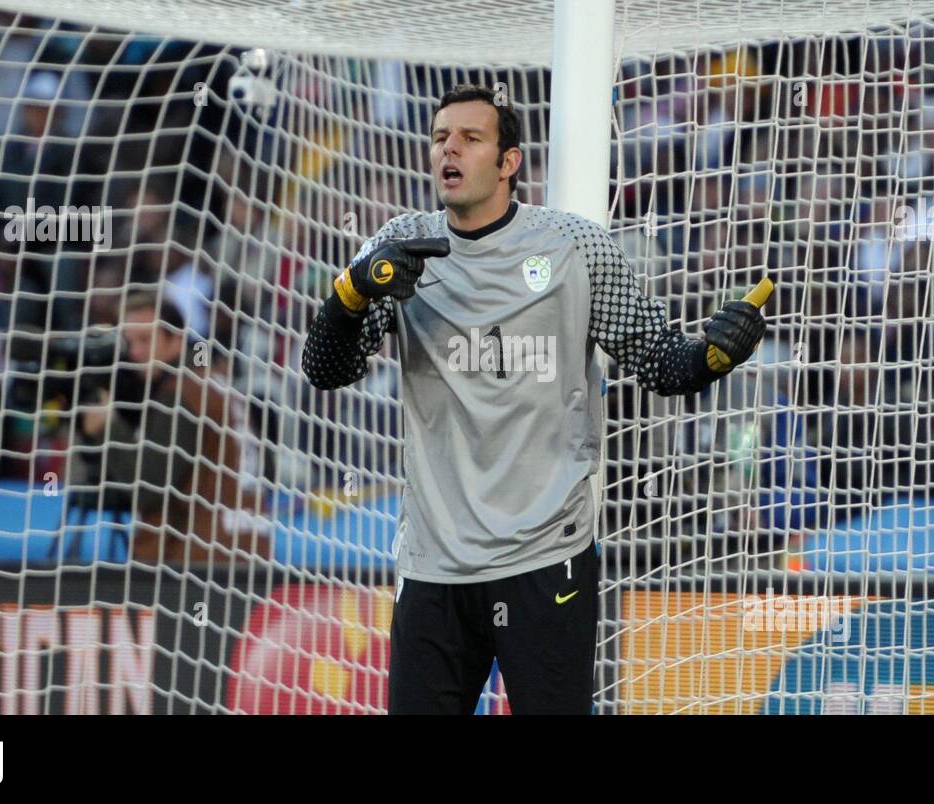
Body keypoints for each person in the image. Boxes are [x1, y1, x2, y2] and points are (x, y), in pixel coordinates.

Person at [302, 84, 767, 714]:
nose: (450, 149)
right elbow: (325, 369)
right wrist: (351, 292)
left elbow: (660, 362)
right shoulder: (401, 246)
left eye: (470, 137)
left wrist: (717, 354)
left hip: (546, 559)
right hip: (434, 565)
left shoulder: (576, 246)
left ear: (509, 162)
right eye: (441, 137)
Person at [67, 291, 274, 566]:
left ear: (175, 340)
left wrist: (108, 428)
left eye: (145, 340)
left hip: (200, 556)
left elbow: (150, 488)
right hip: (249, 545)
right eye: (128, 342)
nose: (135, 352)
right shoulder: (215, 382)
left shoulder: (179, 394)